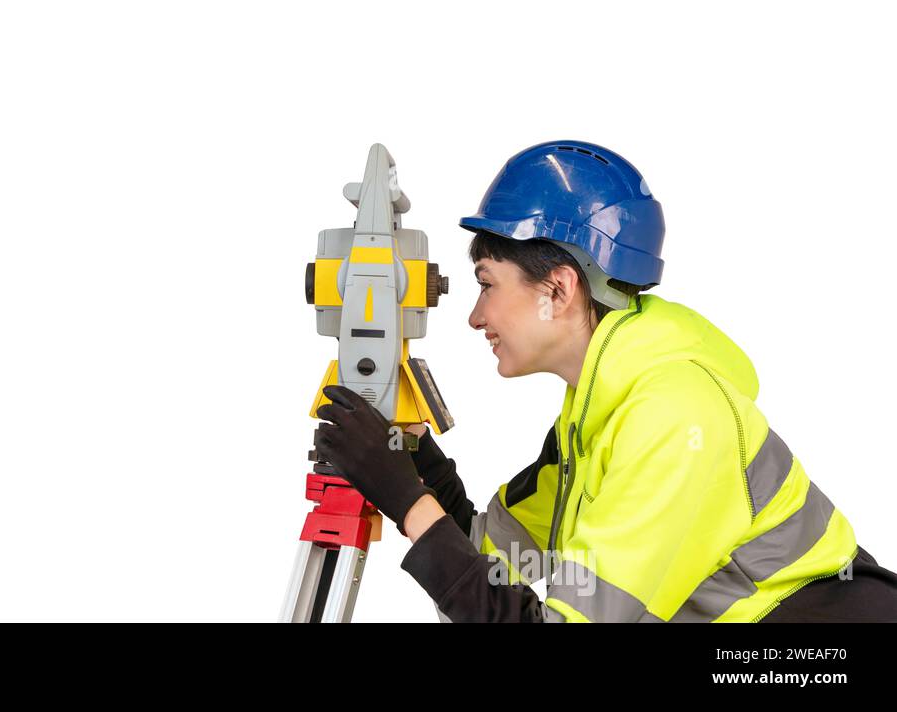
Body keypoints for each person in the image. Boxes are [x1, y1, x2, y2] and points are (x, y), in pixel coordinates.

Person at [313, 140, 897, 622]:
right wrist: (415, 470)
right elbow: (496, 562)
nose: (475, 316)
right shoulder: (595, 415)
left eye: (487, 284)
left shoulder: (673, 417)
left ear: (559, 289)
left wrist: (411, 504)